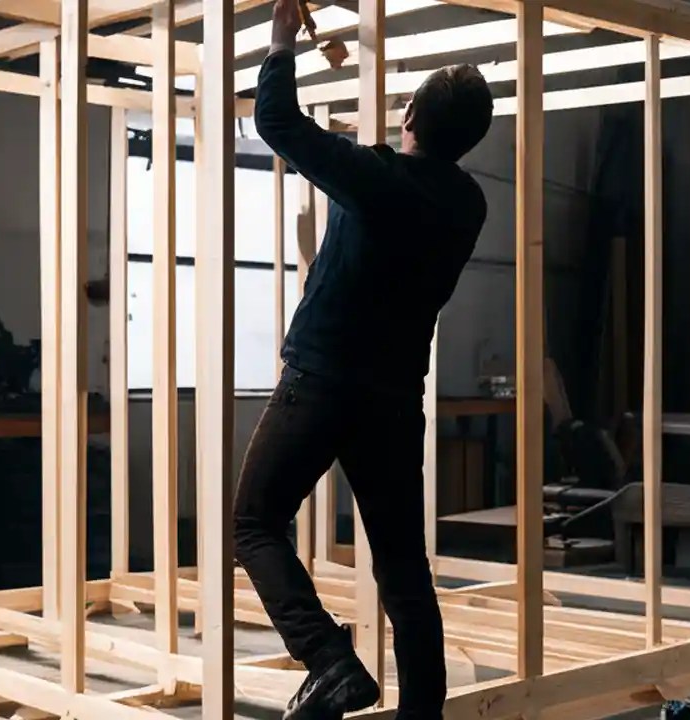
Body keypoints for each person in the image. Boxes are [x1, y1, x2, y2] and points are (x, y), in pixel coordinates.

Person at [232, 0, 494, 717]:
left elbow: (278, 125)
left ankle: (328, 660)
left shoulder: (378, 181)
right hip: (392, 399)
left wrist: (280, 44)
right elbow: (383, 195)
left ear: (408, 116)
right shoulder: (465, 203)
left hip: (320, 386)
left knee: (253, 523)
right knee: (404, 571)